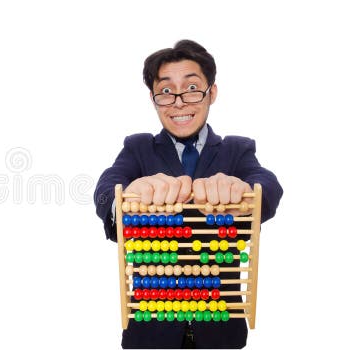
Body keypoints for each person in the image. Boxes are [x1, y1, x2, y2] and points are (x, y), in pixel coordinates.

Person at [93, 40, 283, 348]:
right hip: (151, 329)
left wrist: (246, 190)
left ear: (212, 93)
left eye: (192, 88)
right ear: (154, 100)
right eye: (166, 91)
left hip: (221, 327)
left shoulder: (237, 149)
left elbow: (269, 184)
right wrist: (125, 195)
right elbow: (105, 189)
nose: (179, 102)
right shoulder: (138, 148)